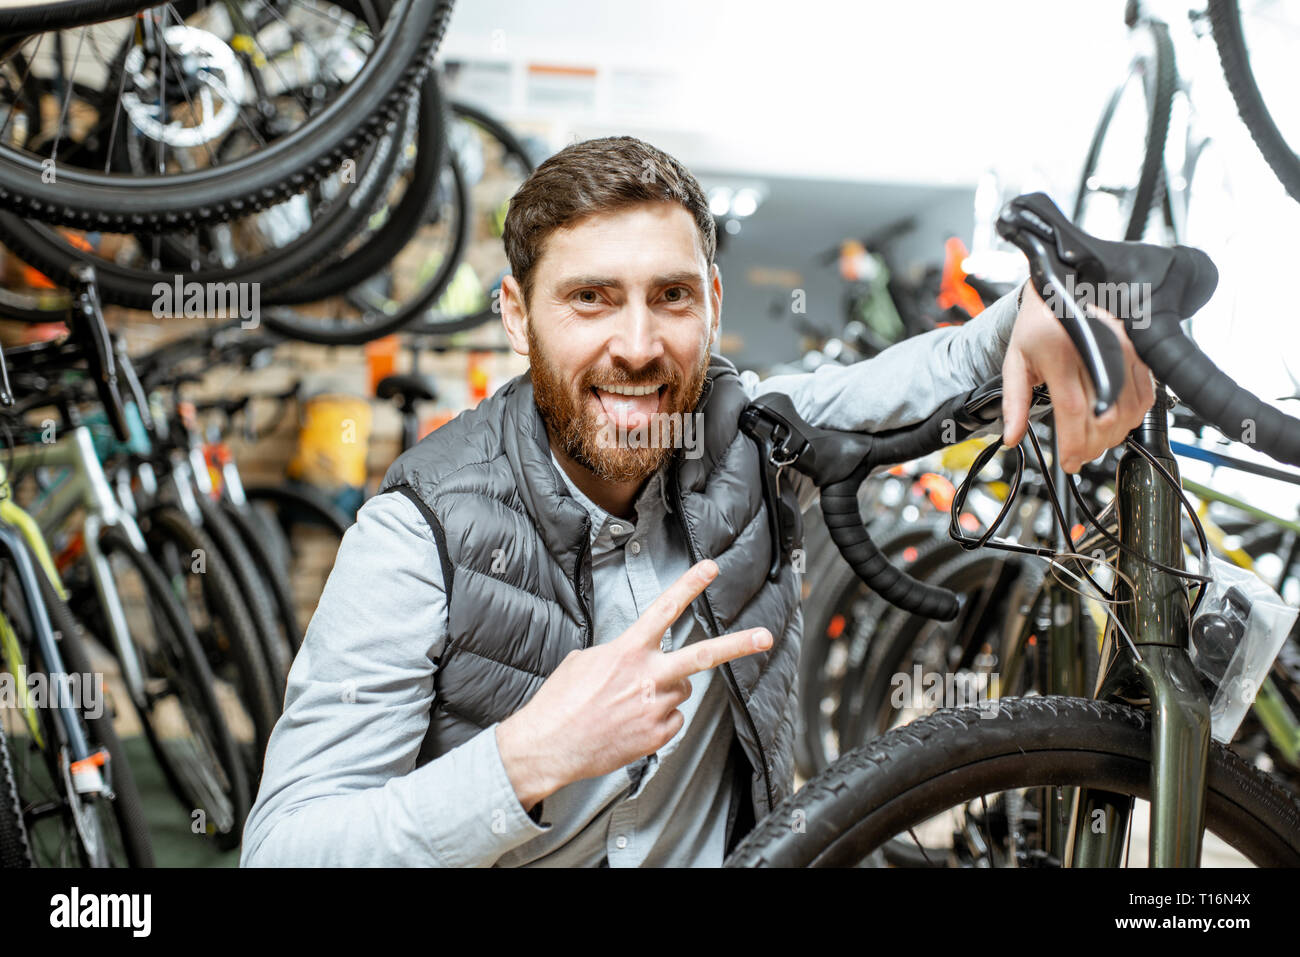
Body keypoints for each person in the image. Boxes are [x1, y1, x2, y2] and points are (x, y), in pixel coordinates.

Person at [240, 136, 1155, 867]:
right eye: (590, 299)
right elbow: (286, 850)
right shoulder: (417, 534)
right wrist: (527, 759)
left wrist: (1050, 304)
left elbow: (947, 367)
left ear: (712, 302)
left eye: (670, 296)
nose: (637, 345)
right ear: (517, 315)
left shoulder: (750, 439)